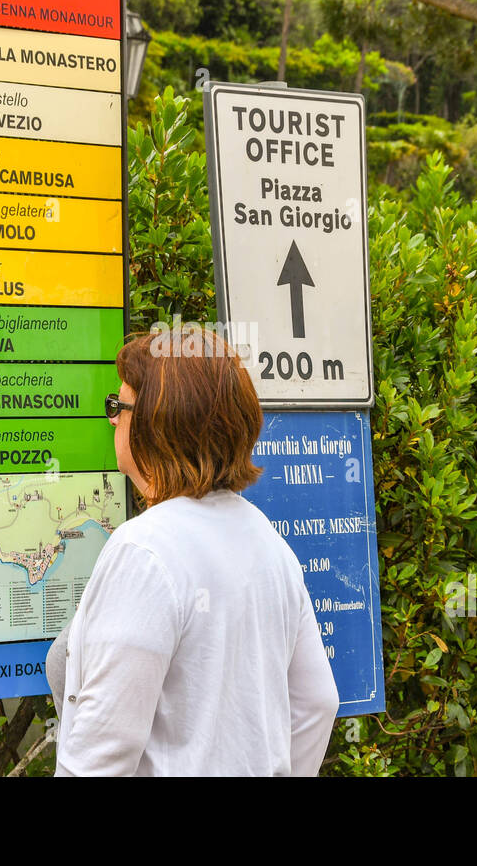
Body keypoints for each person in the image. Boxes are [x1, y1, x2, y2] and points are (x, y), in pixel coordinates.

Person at [47, 327, 340, 776]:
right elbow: (318, 702)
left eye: (117, 407)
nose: (112, 420)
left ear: (154, 423)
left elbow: (100, 756)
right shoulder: (266, 539)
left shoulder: (144, 551)